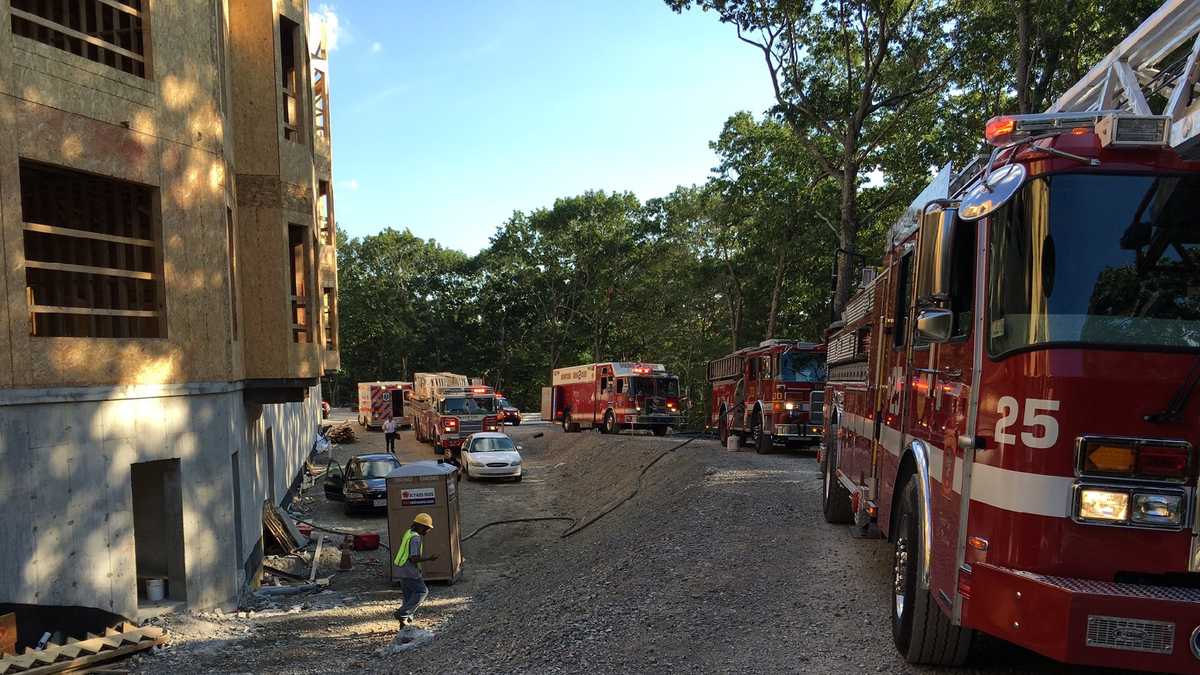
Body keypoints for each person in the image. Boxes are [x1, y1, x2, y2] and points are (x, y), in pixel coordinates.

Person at [393, 513, 438, 626]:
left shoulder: (409, 532)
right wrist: (430, 558)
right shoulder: (415, 538)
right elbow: (414, 558)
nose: (428, 531)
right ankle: (403, 614)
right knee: (422, 591)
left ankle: (405, 622)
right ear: (421, 526)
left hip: (400, 568)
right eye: (427, 528)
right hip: (409, 570)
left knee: (409, 596)